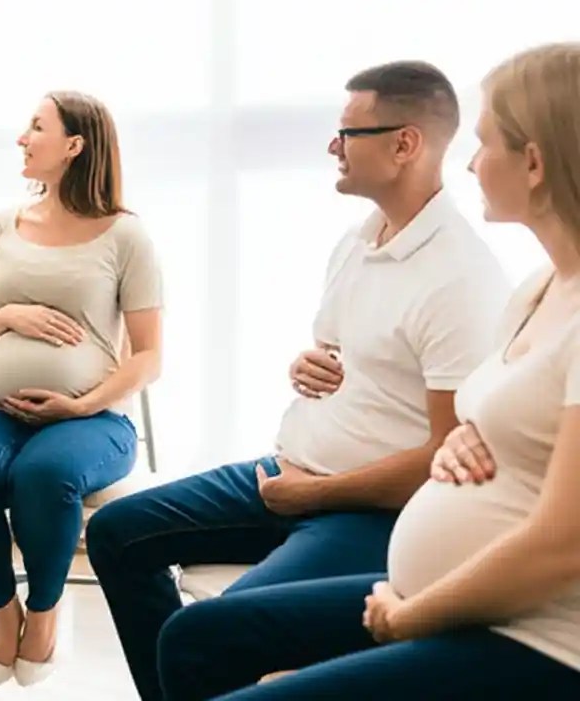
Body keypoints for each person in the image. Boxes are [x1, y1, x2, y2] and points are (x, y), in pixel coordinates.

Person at [156, 42, 580, 701]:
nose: (469, 162)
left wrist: (411, 615)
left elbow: (562, 548)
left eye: (486, 142)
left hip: (536, 634)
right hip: (429, 570)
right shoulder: (537, 290)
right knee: (193, 636)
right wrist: (473, 430)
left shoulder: (473, 277)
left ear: (534, 163)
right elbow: (490, 415)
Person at [0, 90, 164, 688]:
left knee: (44, 476)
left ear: (73, 146)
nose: (22, 137)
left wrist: (83, 403)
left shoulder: (126, 236)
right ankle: (2, 609)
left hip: (94, 420)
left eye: (36, 127)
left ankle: (44, 614)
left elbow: (150, 357)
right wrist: (9, 318)